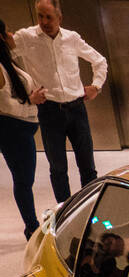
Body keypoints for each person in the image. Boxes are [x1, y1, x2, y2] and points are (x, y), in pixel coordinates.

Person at [12, 0, 106, 204]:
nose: (44, 21)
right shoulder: (26, 38)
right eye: (40, 16)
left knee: (87, 165)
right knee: (58, 168)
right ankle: (64, 212)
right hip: (49, 111)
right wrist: (25, 93)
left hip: (77, 108)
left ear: (59, 17)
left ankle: (92, 208)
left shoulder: (71, 38)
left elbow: (99, 61)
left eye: (49, 17)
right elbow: (5, 61)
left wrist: (96, 86)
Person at [0, 19, 45, 239]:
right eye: (6, 31)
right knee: (23, 181)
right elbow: (4, 104)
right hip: (13, 130)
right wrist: (31, 100)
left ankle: (32, 225)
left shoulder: (7, 62)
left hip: (21, 130)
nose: (11, 34)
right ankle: (32, 226)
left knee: (24, 180)